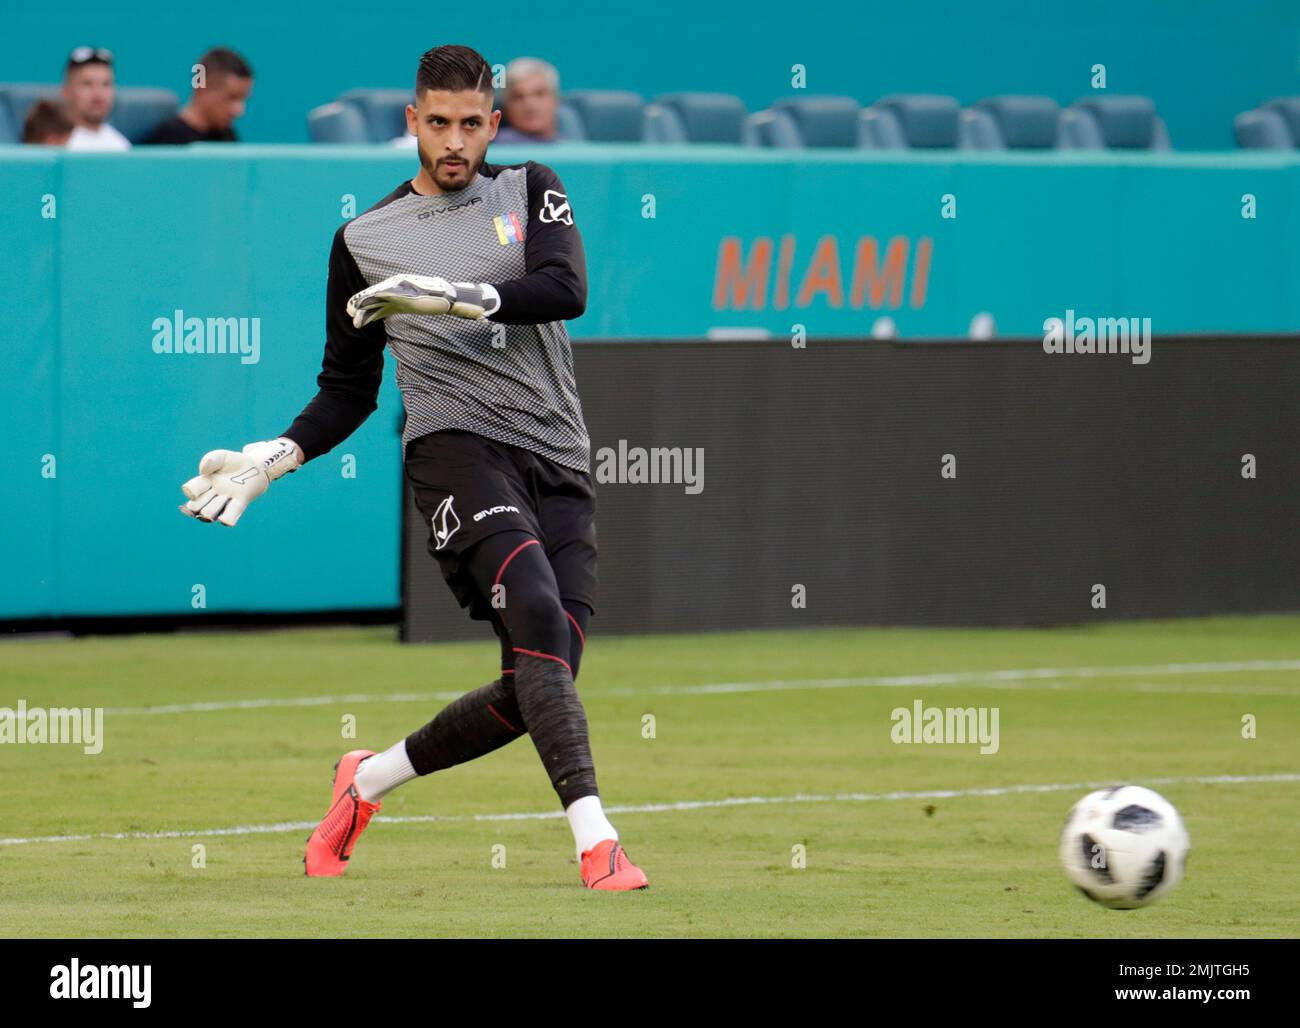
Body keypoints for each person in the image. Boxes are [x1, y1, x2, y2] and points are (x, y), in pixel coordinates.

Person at [176, 44, 648, 891]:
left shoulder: (530, 185)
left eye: (472, 123)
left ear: (494, 124)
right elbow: (346, 390)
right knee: (536, 610)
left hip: (558, 455)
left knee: (539, 682)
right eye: (438, 123)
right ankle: (596, 840)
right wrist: (277, 456)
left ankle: (364, 782)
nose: (455, 140)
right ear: (412, 123)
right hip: (454, 451)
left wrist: (451, 294)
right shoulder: (364, 239)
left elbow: (565, 286)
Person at [145, 47, 252, 144]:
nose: (239, 110)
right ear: (201, 88)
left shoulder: (228, 136)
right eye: (231, 98)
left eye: (243, 99)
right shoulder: (168, 140)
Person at [61, 47, 130, 151]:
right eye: (87, 84)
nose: (98, 94)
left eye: (106, 84)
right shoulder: (53, 144)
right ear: (66, 92)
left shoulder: (120, 145)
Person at [495, 57, 562, 143]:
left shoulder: (571, 142)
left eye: (539, 94)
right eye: (518, 97)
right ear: (506, 108)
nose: (530, 105)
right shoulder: (503, 145)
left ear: (556, 100)